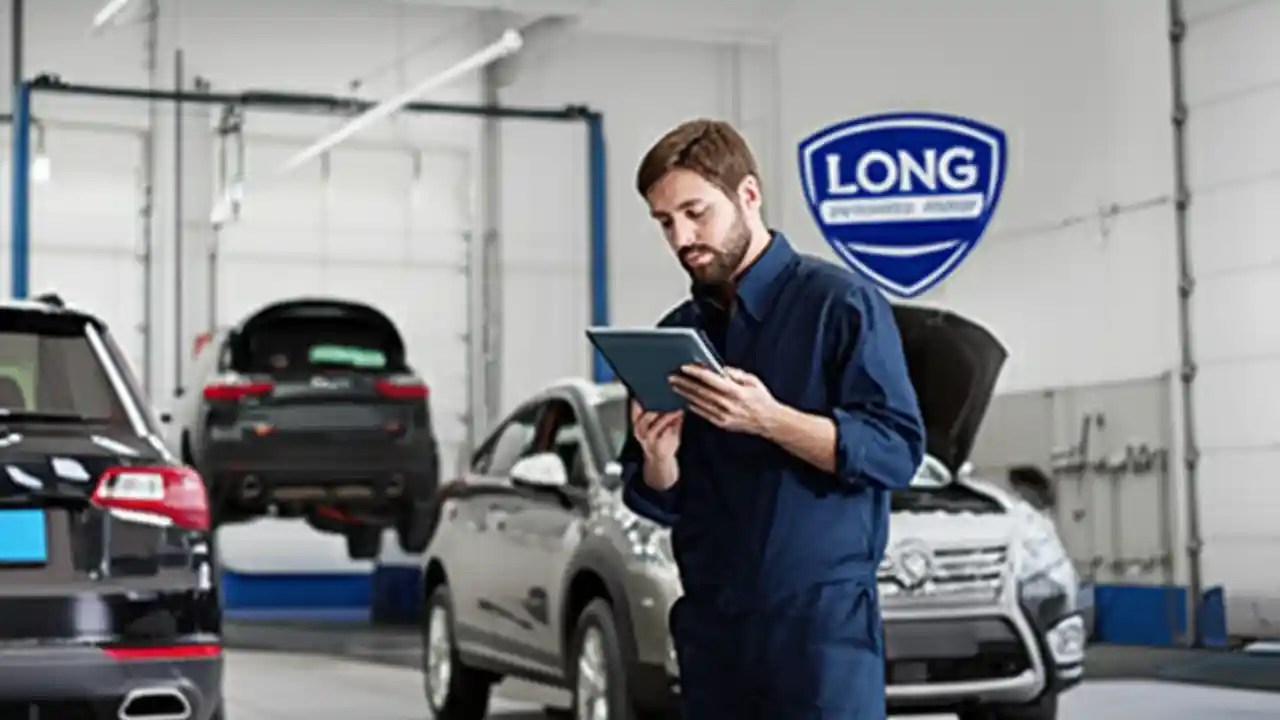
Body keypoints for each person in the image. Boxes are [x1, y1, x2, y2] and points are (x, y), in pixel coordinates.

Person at [616, 118, 926, 719]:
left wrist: (771, 419)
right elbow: (656, 499)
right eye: (665, 222)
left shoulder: (839, 304)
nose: (682, 236)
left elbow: (896, 451)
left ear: (748, 196)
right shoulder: (678, 334)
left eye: (695, 212)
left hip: (818, 630)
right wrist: (658, 459)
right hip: (713, 628)